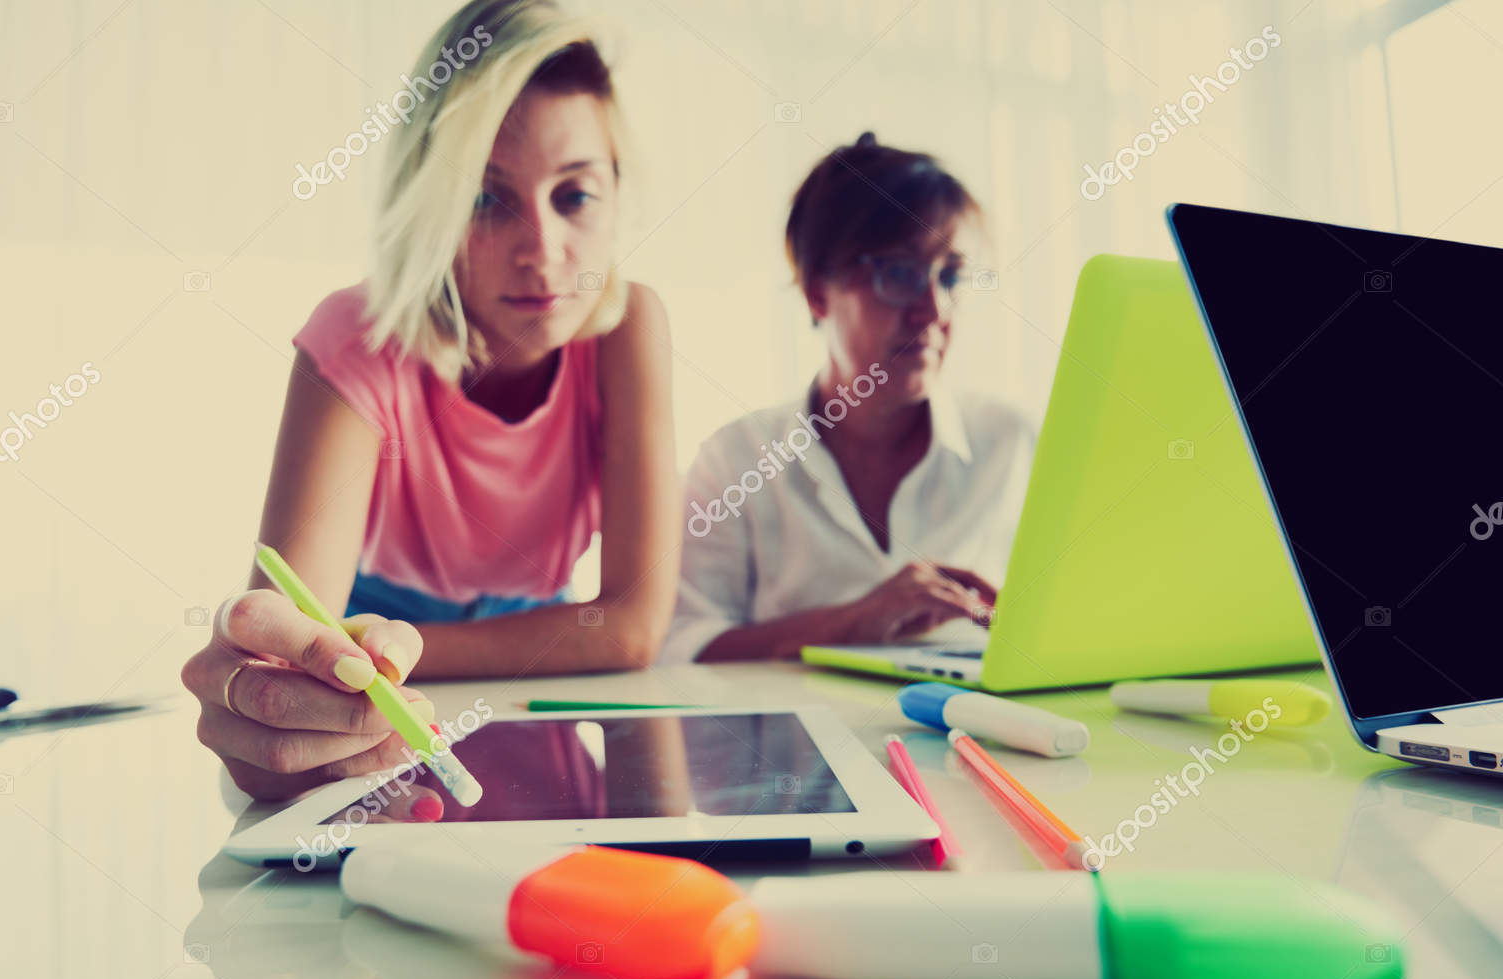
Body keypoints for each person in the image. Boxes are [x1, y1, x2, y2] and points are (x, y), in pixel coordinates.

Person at [181, 0, 677, 799]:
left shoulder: (627, 327)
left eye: (575, 196)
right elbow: (280, 645)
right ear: (430, 207)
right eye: (486, 199)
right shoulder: (356, 339)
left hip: (461, 688)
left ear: (618, 195)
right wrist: (281, 686)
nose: (543, 251)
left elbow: (631, 628)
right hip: (382, 701)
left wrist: (392, 657)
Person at [663, 133, 1034, 663]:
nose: (932, 311)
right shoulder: (736, 459)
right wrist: (851, 622)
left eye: (949, 276)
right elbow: (679, 644)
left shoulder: (1015, 444)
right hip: (792, 745)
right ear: (817, 291)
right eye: (899, 274)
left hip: (978, 736)